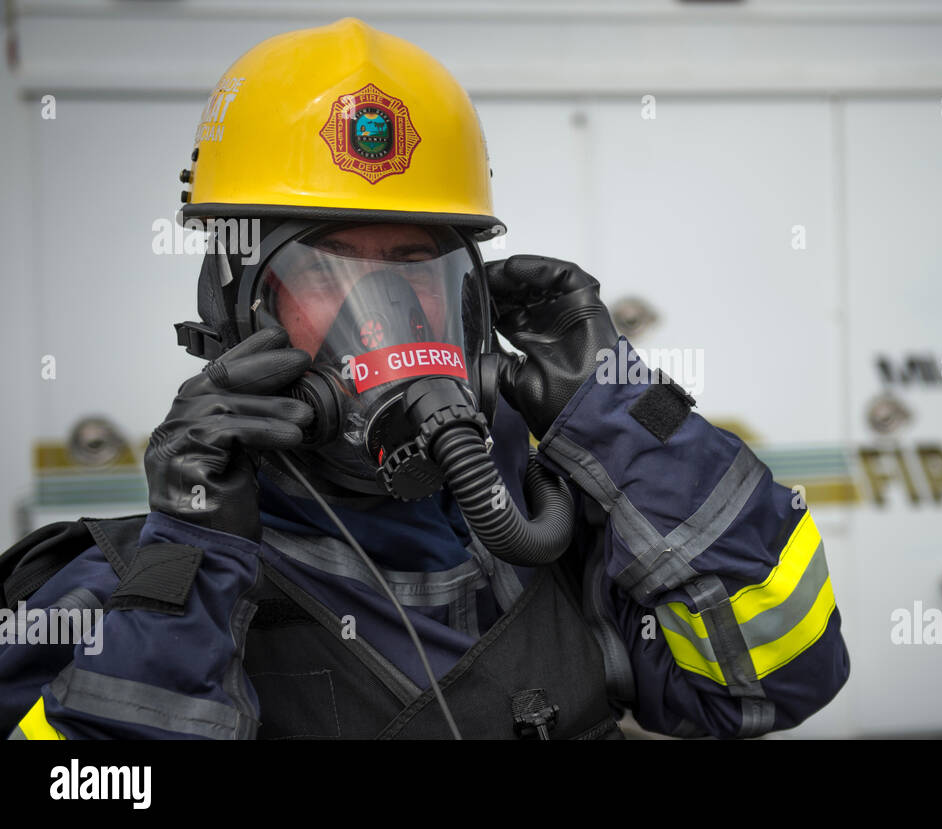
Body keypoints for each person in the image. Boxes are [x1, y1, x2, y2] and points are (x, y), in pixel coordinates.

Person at [0, 17, 849, 740]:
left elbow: (783, 675)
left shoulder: (560, 528)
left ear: (470, 304)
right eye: (329, 274)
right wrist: (190, 569)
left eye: (414, 267)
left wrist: (618, 402)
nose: (383, 318)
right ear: (236, 312)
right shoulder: (120, 592)